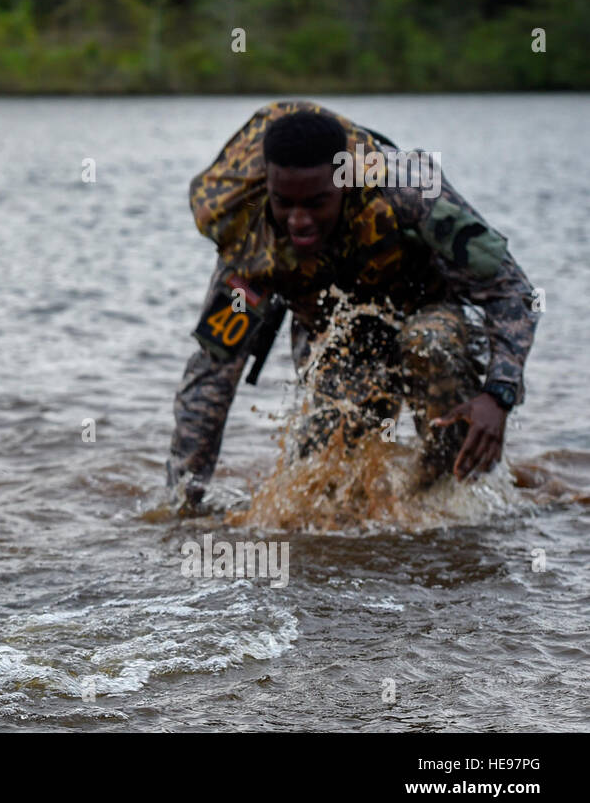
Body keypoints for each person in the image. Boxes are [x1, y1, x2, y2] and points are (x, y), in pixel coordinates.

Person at [166, 101, 538, 516]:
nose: (299, 220)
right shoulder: (252, 243)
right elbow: (212, 373)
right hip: (336, 338)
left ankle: (457, 499)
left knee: (429, 342)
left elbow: (511, 290)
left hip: (428, 313)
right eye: (284, 202)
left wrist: (498, 395)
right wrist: (185, 500)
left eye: (316, 202)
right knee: (326, 497)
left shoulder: (408, 190)